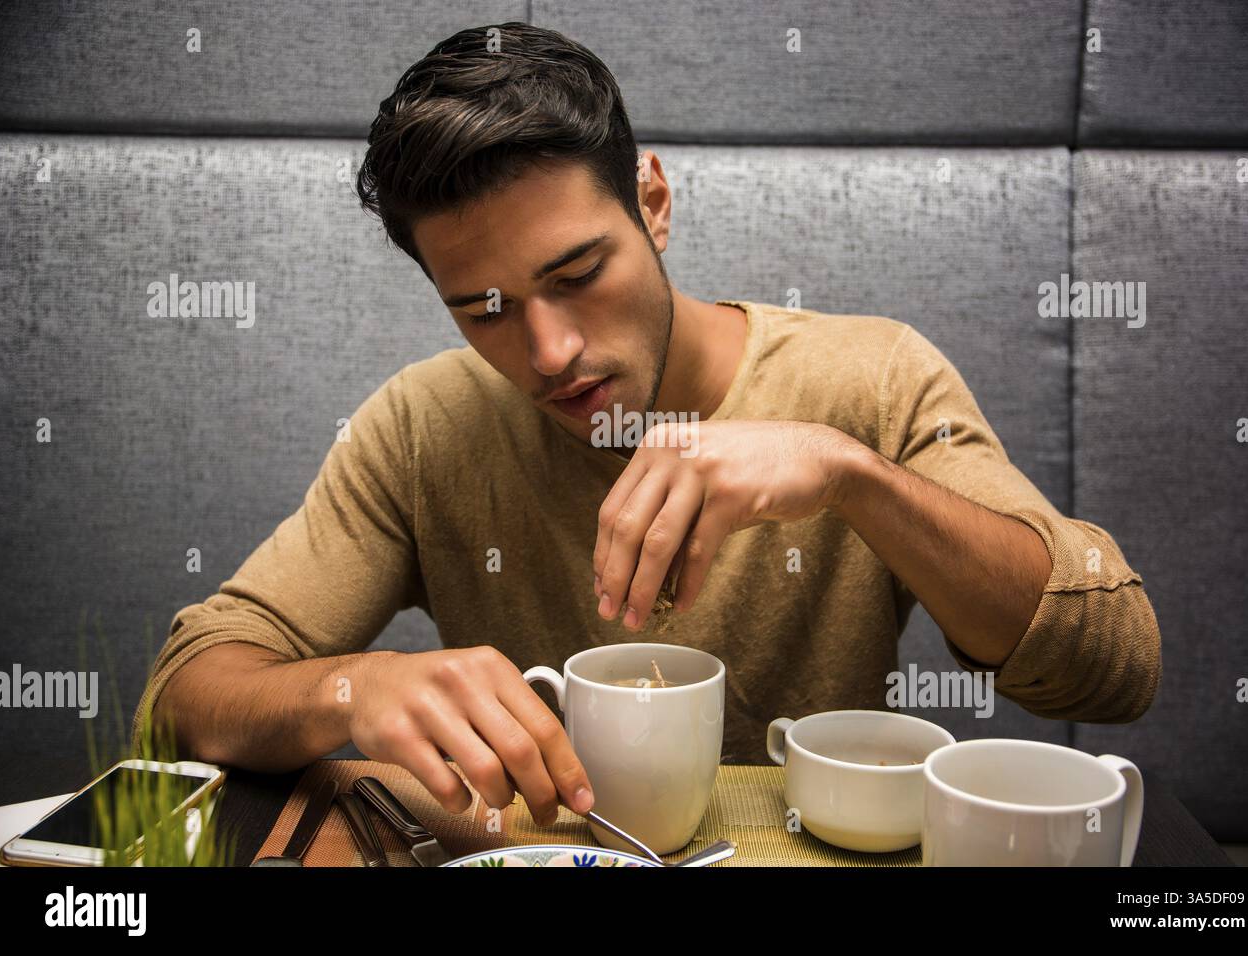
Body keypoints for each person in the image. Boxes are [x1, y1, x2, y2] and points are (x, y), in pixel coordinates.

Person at [133, 22, 1161, 828]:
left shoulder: (875, 375)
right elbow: (184, 692)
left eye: (577, 275)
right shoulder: (423, 426)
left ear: (653, 203)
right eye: (481, 307)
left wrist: (852, 475)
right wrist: (351, 690)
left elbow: (1114, 665)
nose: (548, 353)